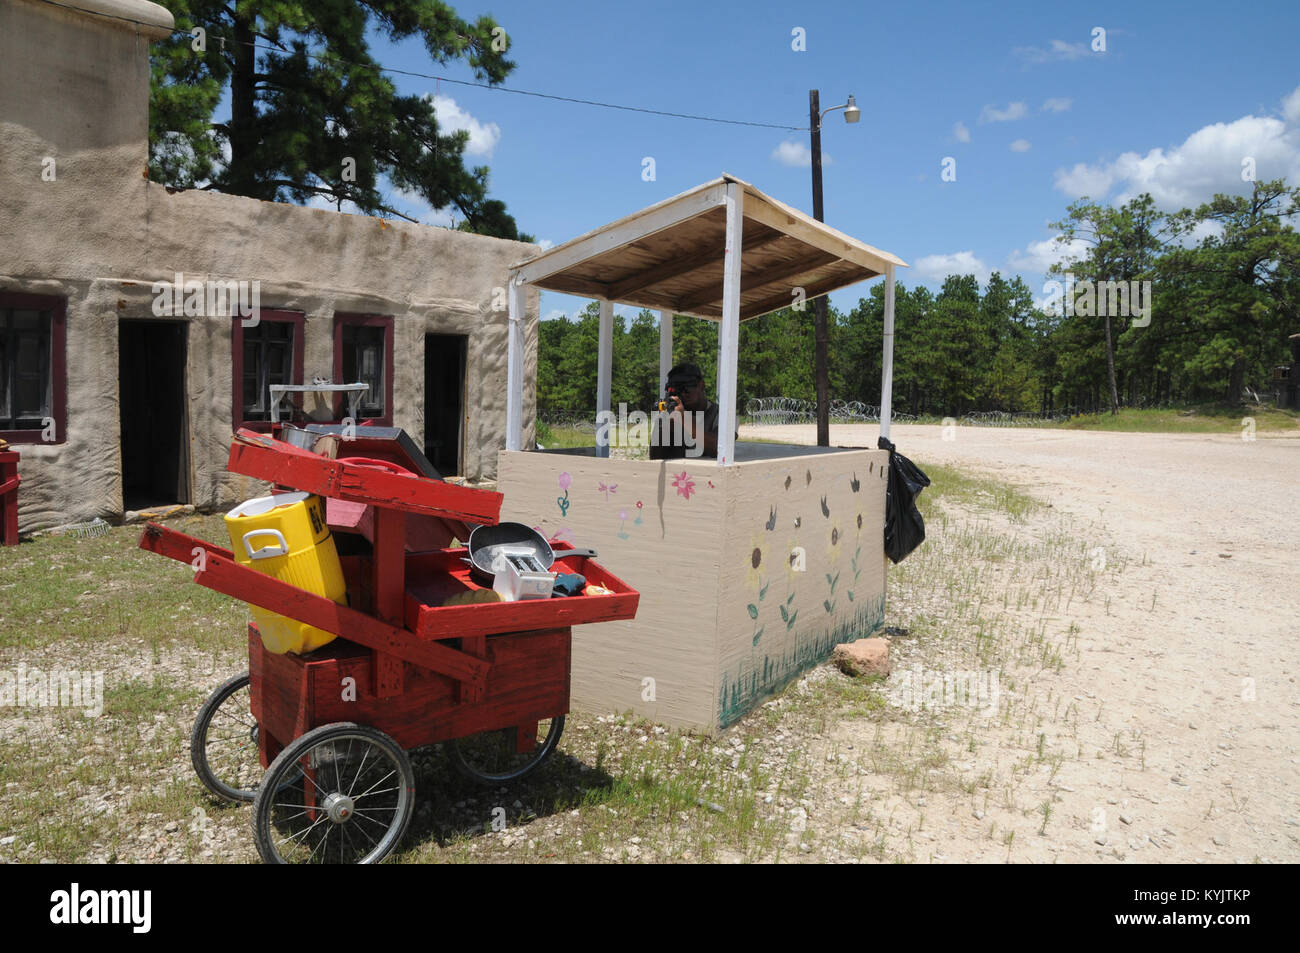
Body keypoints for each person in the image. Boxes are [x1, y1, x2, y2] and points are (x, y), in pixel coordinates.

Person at [650, 362, 728, 459]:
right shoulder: (671, 411)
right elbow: (655, 457)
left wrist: (683, 419)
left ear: (702, 385)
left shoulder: (722, 414)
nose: (683, 394)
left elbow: (720, 448)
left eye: (687, 388)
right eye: (677, 390)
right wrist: (664, 428)